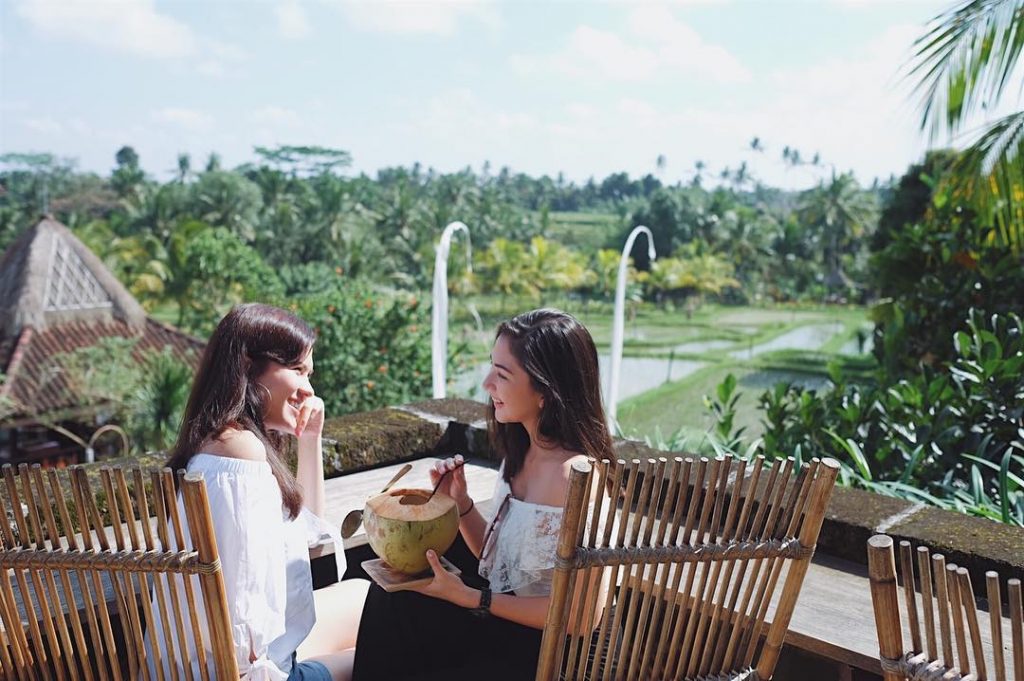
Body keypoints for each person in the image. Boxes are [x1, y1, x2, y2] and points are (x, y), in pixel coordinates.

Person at [352, 308, 614, 681]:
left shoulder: (579, 477)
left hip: (548, 655)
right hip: (500, 622)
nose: (487, 384)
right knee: (392, 599)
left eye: (502, 374)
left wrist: (473, 598)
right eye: (492, 367)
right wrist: (461, 505)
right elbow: (498, 560)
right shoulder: (519, 452)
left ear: (545, 392)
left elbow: (583, 617)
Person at [153, 303, 369, 681]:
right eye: (297, 370)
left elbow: (307, 531)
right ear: (249, 366)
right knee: (379, 649)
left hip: (232, 661)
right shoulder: (240, 454)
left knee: (362, 596)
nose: (308, 388)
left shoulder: (218, 439)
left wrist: (311, 439)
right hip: (247, 672)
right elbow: (241, 605)